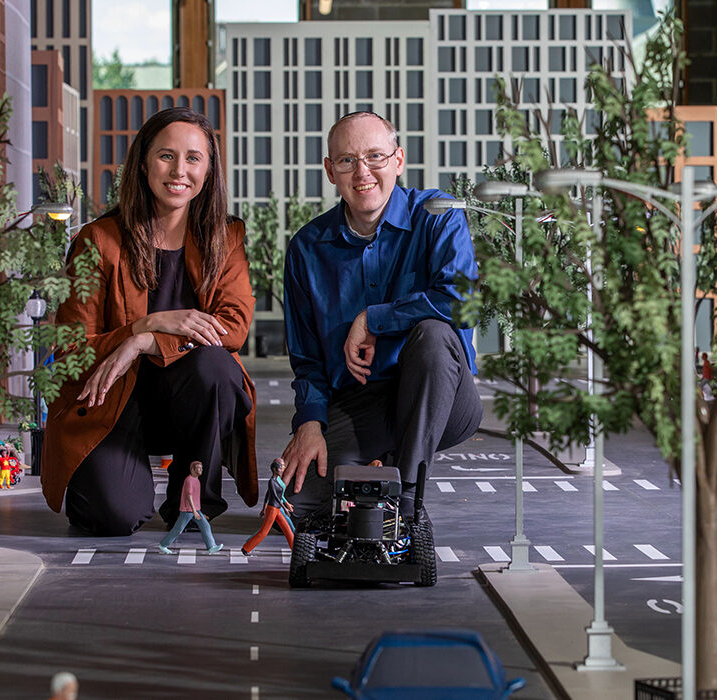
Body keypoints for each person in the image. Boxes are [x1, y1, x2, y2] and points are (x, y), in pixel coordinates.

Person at [41, 107, 259, 536]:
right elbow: (71, 348)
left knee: (215, 366)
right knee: (108, 518)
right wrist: (147, 324)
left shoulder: (226, 236)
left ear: (209, 169)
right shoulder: (96, 241)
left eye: (194, 158)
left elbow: (231, 326)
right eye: (166, 156)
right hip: (109, 400)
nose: (180, 170)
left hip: (187, 397)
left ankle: (192, 495)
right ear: (142, 163)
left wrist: (145, 342)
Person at [281, 111, 482, 524]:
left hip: (442, 393)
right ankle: (385, 458)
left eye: (375, 156)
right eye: (347, 160)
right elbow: (307, 359)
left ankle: (406, 501)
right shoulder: (307, 249)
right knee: (295, 503)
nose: (362, 172)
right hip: (362, 402)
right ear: (329, 170)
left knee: (432, 334)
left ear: (398, 160)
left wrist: (375, 318)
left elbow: (461, 301)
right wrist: (311, 422)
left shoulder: (438, 215)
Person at [159, 461, 224, 555]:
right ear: (192, 469)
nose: (201, 469)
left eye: (201, 468)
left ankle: (211, 547)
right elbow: (189, 497)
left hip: (195, 510)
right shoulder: (189, 480)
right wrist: (194, 512)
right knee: (178, 529)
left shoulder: (196, 480)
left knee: (205, 526)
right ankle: (163, 545)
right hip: (187, 511)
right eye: (198, 468)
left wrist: (198, 512)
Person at [242, 458, 296, 555]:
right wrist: (284, 508)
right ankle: (246, 548)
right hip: (272, 509)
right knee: (264, 531)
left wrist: (286, 505)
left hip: (277, 509)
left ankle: (295, 549)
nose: (283, 469)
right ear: (275, 470)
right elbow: (274, 496)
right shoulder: (272, 482)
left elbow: (275, 495)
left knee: (287, 529)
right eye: (281, 468)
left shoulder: (278, 481)